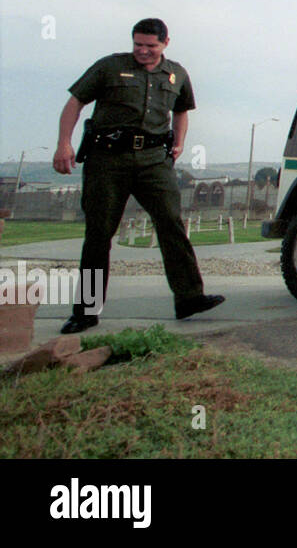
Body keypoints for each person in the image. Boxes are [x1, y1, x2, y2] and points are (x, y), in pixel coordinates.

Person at [53, 18, 224, 334]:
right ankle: (86, 311)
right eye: (138, 45)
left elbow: (182, 109)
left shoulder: (177, 73)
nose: (143, 51)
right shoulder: (109, 67)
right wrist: (64, 143)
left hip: (153, 162)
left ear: (166, 43)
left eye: (151, 46)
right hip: (108, 160)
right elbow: (75, 101)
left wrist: (180, 141)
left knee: (172, 223)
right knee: (99, 234)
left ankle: (189, 298)